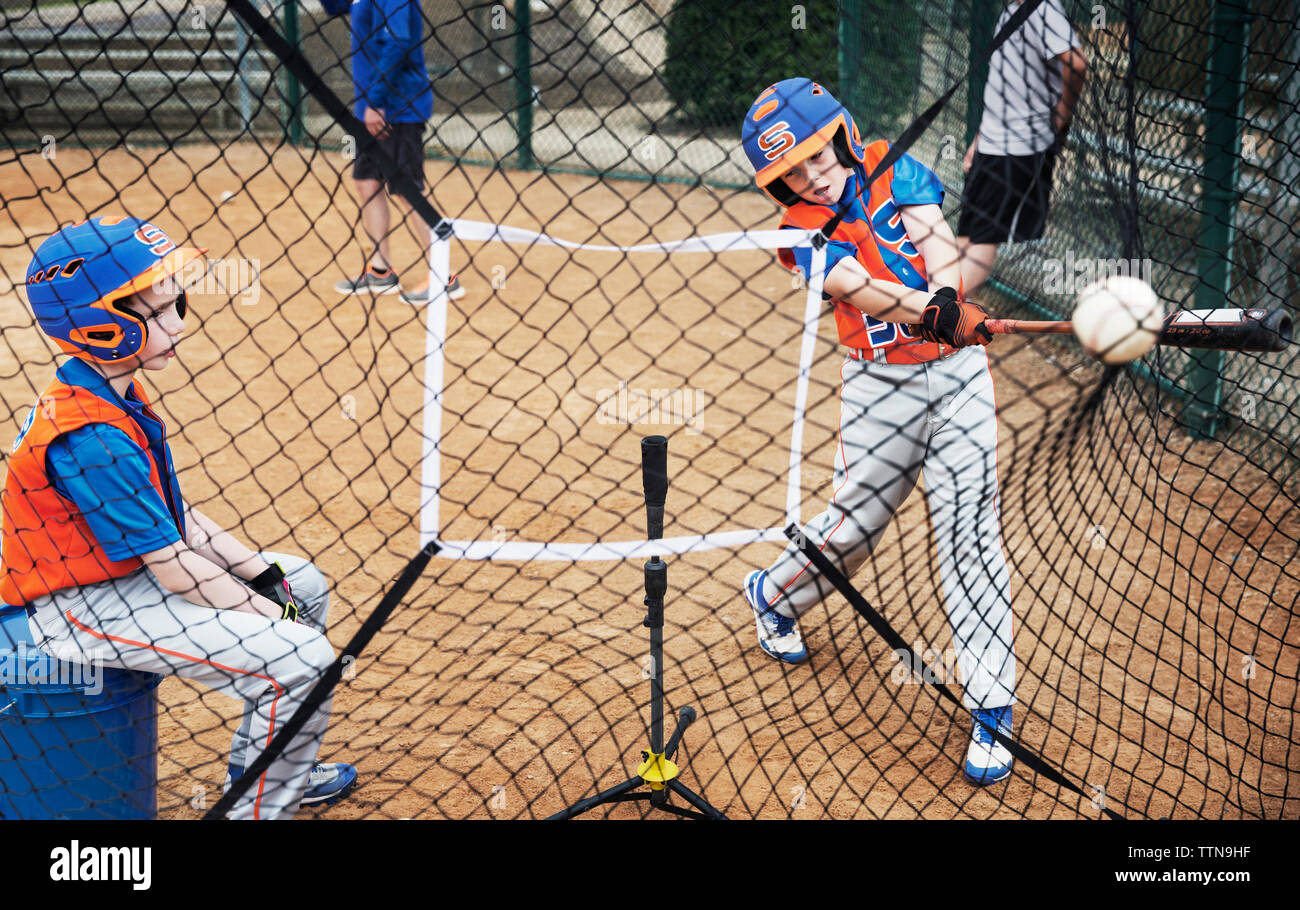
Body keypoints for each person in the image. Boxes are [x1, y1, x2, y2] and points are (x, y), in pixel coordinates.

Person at [2, 216, 357, 818]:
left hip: (131, 577)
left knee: (304, 583)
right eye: (158, 313)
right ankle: (257, 808)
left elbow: (176, 517)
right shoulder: (91, 436)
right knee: (302, 659)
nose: (179, 325)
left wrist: (265, 578)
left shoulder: (114, 391)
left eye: (177, 305)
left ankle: (263, 766)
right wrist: (271, 617)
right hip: (82, 610)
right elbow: (171, 566)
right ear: (98, 323)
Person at [740, 78, 1018, 785]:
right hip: (878, 385)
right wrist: (931, 312)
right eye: (791, 172)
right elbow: (858, 289)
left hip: (957, 376)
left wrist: (948, 299)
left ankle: (992, 705)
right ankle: (773, 595)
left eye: (817, 154)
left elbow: (939, 248)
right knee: (854, 530)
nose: (812, 175)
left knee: (970, 533)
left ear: (841, 134)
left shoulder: (897, 167)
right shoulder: (796, 231)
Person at [330, 0, 465, 303]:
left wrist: (376, 100)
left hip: (396, 108)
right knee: (367, 183)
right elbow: (335, 6)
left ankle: (444, 276)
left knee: (407, 190)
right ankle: (381, 271)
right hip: (372, 108)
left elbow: (397, 42)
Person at [957, 0, 1087, 295]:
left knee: (982, 240)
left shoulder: (1043, 8)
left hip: (1018, 147)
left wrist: (1063, 113)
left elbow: (1077, 63)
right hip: (992, 143)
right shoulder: (1010, 9)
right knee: (966, 236)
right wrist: (979, 139)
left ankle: (944, 310)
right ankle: (944, 305)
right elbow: (1003, 86)